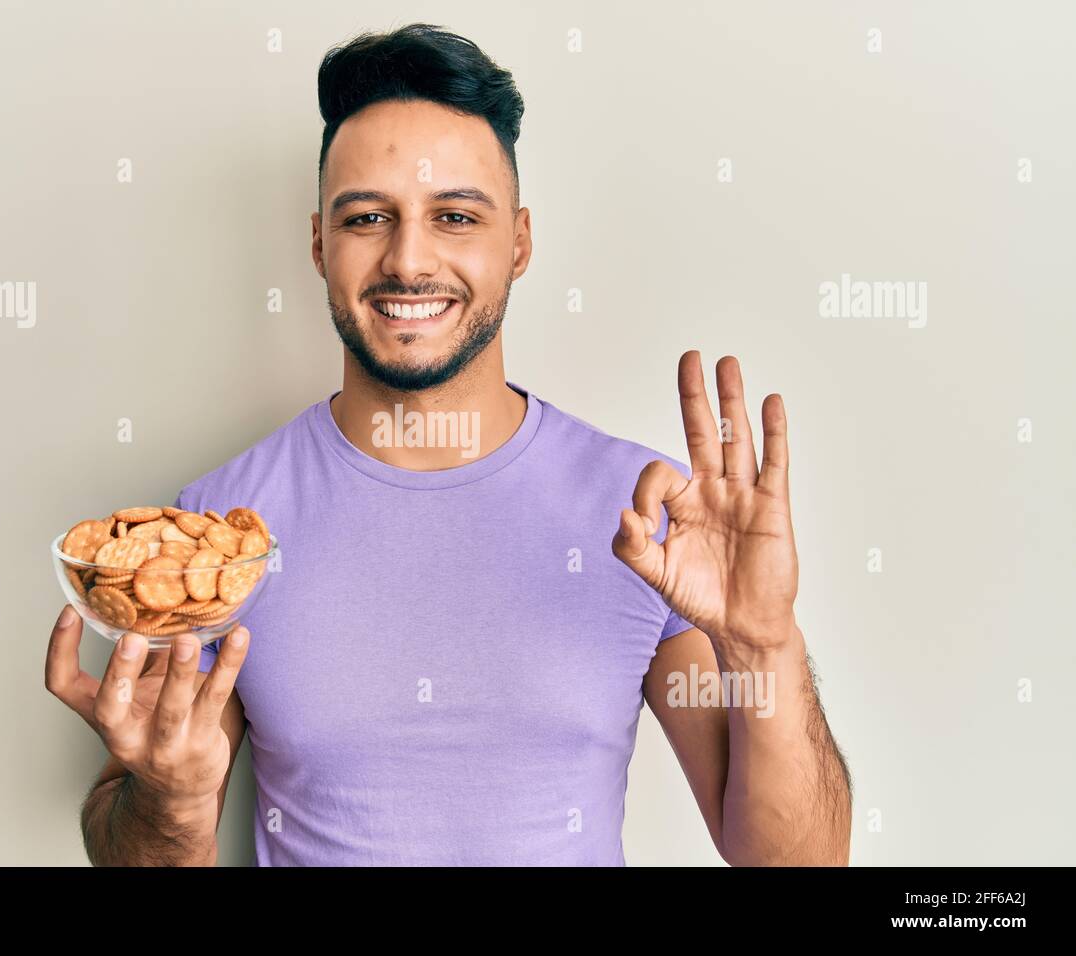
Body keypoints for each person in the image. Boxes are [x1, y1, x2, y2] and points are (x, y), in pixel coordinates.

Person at [46, 23, 852, 866]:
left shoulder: (651, 516)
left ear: (521, 242)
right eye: (367, 217)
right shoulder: (221, 534)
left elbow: (798, 861)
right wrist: (168, 802)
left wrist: (766, 643)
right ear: (319, 243)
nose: (409, 259)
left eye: (456, 215)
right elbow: (140, 858)